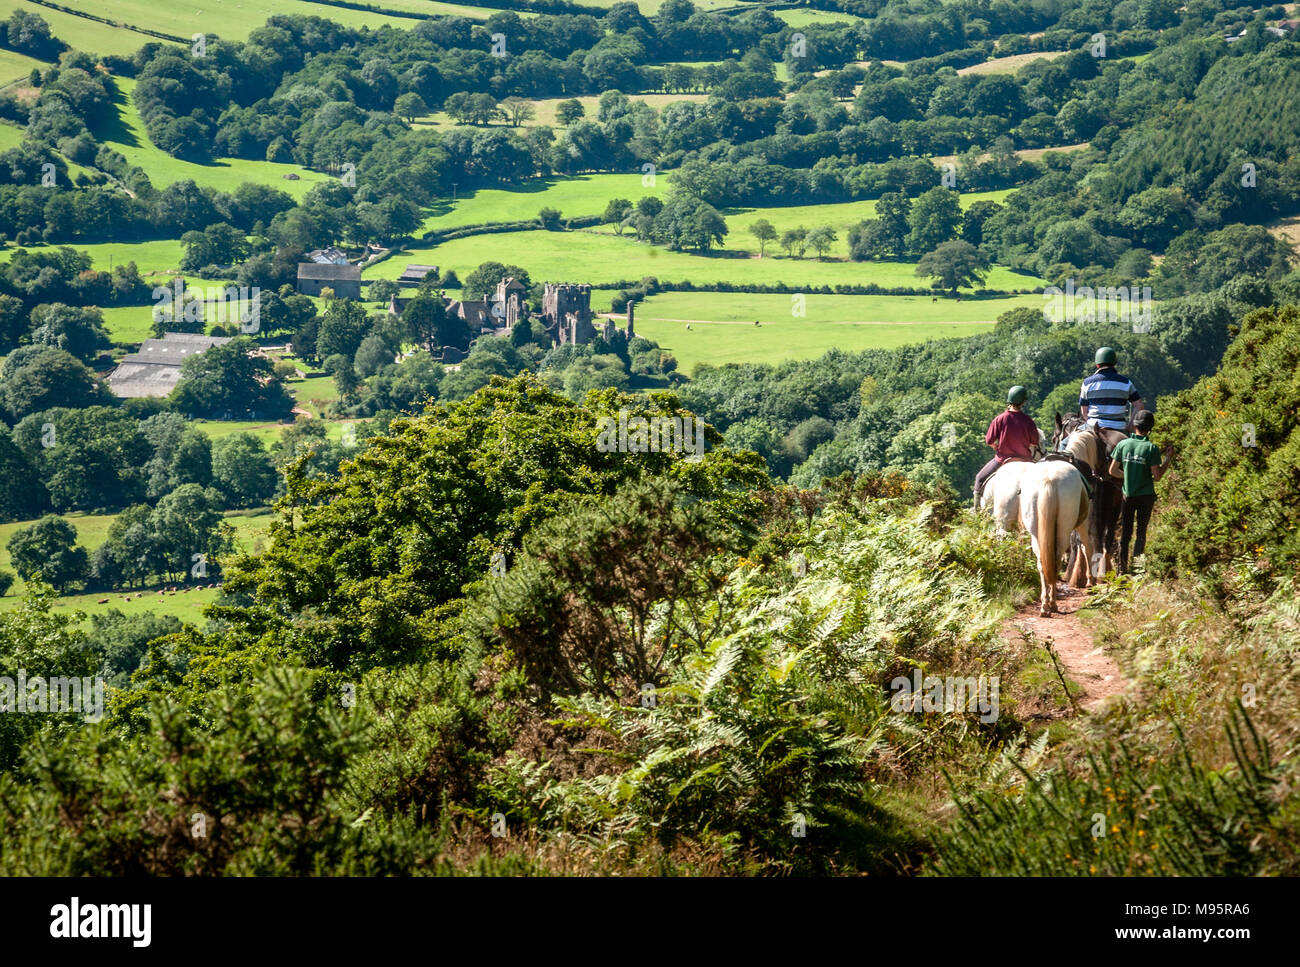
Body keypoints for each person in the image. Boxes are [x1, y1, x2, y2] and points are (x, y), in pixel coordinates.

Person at [1108, 409, 1172, 573]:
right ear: (1150, 428)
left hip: (1127, 496)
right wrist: (1167, 460)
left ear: (1134, 425)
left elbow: (1112, 471)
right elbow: (1157, 476)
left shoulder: (1123, 444)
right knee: (1141, 533)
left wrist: (1128, 475)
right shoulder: (1151, 448)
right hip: (1146, 497)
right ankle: (1138, 570)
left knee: (1125, 533)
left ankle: (1121, 569)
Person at [973, 385, 1041, 509]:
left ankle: (976, 511)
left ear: (1009, 400)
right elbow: (1034, 442)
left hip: (1002, 459)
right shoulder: (1028, 420)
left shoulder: (999, 419)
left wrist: (994, 445)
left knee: (979, 479)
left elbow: (989, 440)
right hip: (1025, 460)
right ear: (1023, 402)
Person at [1079, 347, 1144, 456]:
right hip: (1119, 428)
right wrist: (1130, 425)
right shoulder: (1126, 382)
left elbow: (1084, 413)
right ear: (1114, 363)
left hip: (1093, 427)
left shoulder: (1087, 383)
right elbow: (1139, 405)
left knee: (1065, 441)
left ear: (1097, 364)